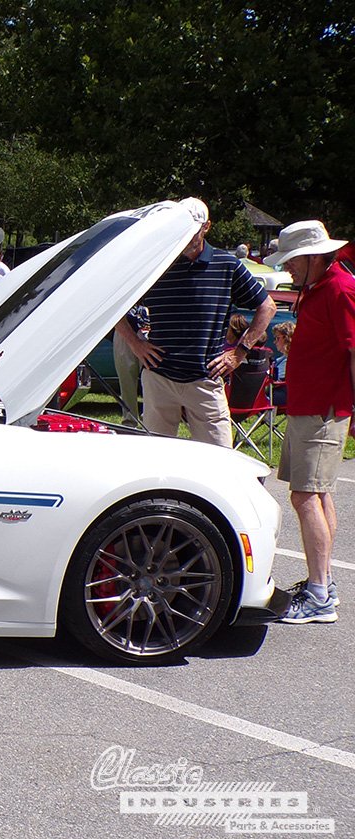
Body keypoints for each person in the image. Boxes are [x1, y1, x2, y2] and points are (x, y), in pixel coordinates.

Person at [112, 198, 276, 447]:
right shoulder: (157, 265)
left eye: (193, 228)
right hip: (159, 377)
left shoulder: (226, 265)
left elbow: (267, 306)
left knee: (220, 458)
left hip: (204, 378)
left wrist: (239, 353)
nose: (187, 236)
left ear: (206, 227)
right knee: (156, 459)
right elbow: (115, 305)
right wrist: (136, 344)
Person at [264, 220, 355, 624]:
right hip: (310, 407)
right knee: (318, 496)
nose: (289, 270)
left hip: (323, 410)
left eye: (293, 262)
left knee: (305, 497)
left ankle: (319, 594)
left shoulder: (340, 289)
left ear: (314, 256)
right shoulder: (321, 287)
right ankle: (324, 584)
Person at [112, 305, 149, 425]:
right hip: (125, 325)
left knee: (152, 378)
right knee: (126, 377)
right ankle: (129, 422)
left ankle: (151, 420)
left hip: (150, 326)